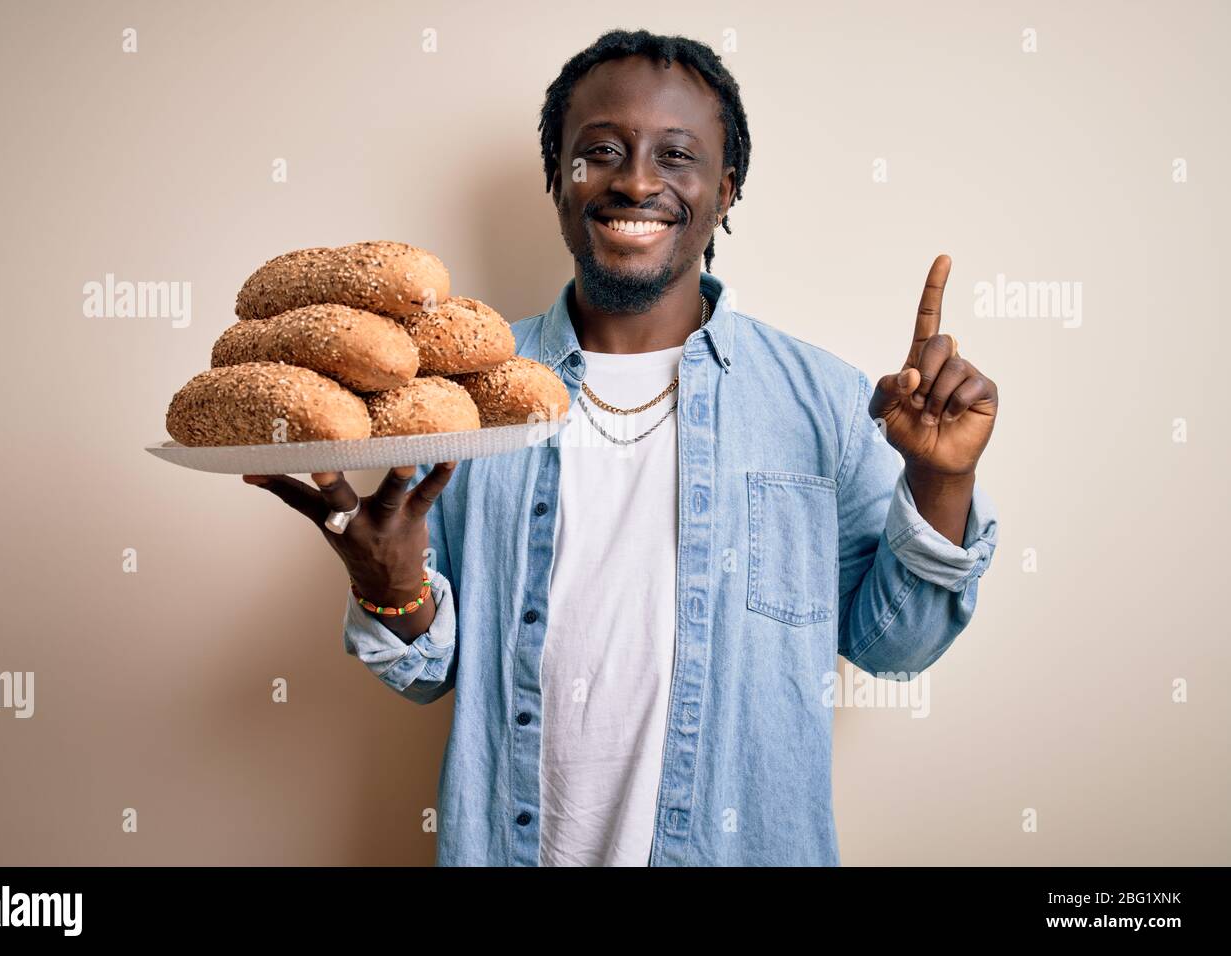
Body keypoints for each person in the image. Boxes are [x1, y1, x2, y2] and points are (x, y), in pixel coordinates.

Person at [242, 28, 999, 866]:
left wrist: (938, 482)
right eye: (599, 151)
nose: (636, 180)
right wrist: (386, 587)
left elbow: (896, 650)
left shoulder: (825, 402)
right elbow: (427, 671)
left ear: (726, 191)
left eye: (677, 156)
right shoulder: (459, 392)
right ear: (557, 181)